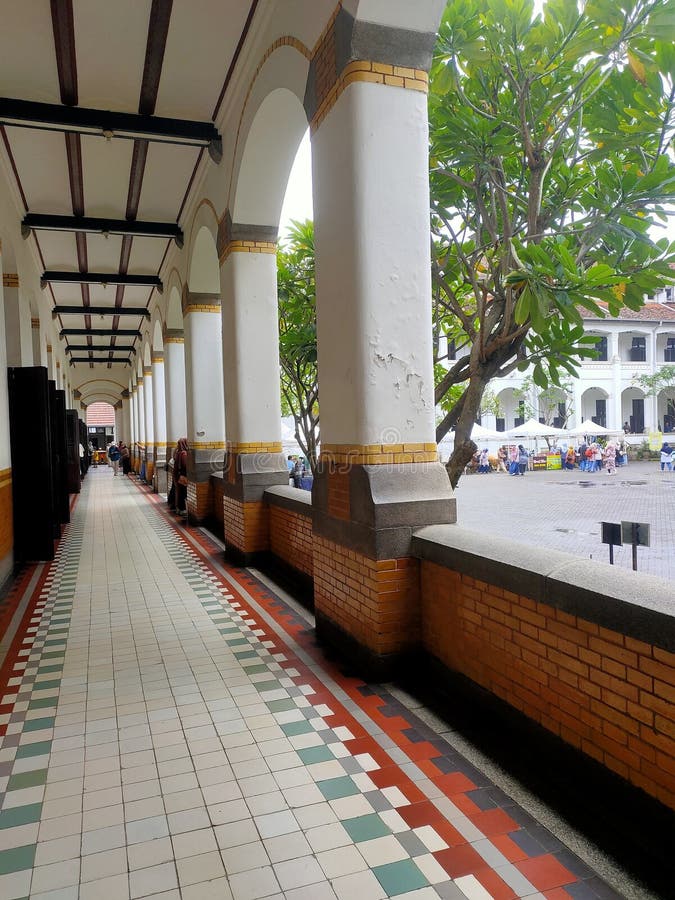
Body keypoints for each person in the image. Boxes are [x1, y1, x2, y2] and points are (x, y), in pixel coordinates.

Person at [174, 438, 189, 516]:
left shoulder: (178, 452)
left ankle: (179, 508)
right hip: (182, 476)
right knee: (183, 493)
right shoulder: (184, 453)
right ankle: (183, 509)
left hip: (178, 475)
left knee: (180, 492)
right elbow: (185, 465)